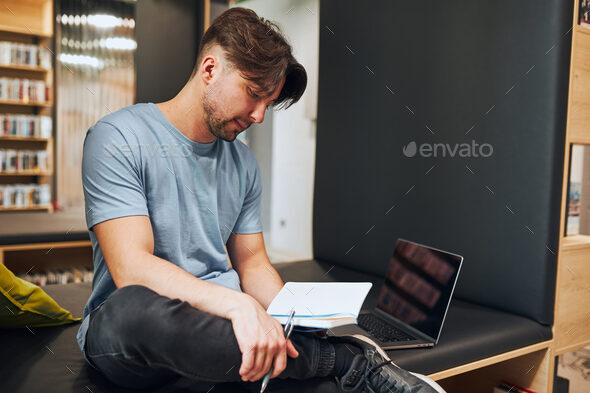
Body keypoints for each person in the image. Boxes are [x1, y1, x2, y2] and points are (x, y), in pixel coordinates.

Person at [77, 7, 445, 393]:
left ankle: (328, 360)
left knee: (315, 379)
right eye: (254, 95)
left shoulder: (243, 163)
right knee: (132, 313)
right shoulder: (117, 138)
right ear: (209, 69)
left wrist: (298, 316)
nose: (259, 116)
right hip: (141, 338)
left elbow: (251, 263)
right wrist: (236, 306)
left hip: (226, 337)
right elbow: (132, 268)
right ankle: (347, 360)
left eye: (268, 104)